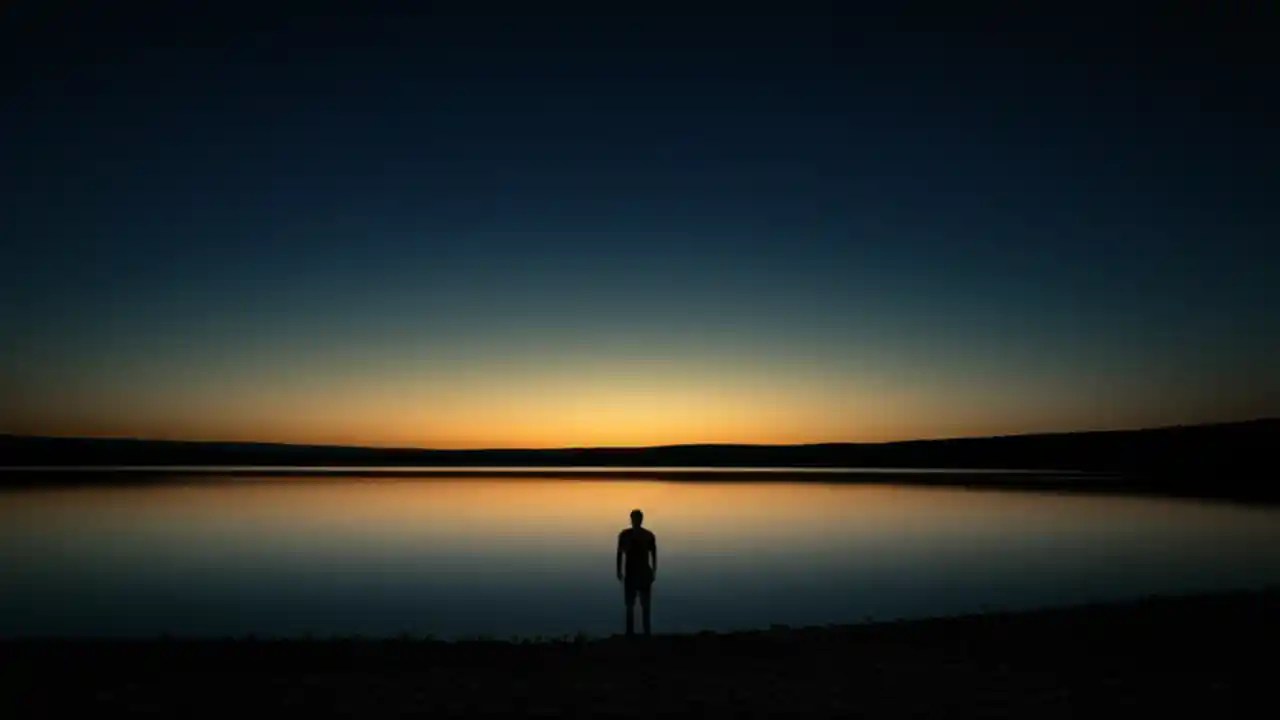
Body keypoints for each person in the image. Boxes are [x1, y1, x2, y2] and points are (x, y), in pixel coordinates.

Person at [616, 508, 657, 637]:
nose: (636, 521)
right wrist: (618, 570)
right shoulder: (625, 535)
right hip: (633, 574)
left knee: (643, 606)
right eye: (635, 518)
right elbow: (619, 554)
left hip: (642, 574)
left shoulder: (647, 535)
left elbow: (654, 554)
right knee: (631, 606)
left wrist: (654, 570)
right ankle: (632, 632)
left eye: (637, 519)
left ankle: (644, 633)